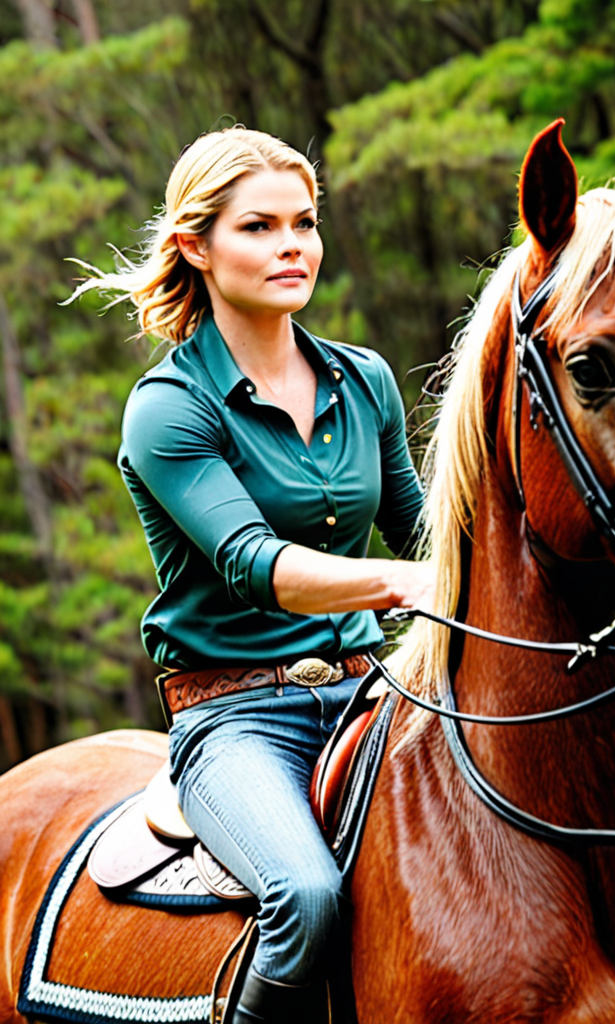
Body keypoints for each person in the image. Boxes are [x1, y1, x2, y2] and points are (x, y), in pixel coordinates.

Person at [69, 127, 429, 1023]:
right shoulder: (167, 407)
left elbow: (423, 533)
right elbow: (255, 566)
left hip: (372, 691)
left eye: (303, 223)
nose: (291, 247)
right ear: (196, 246)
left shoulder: (366, 381)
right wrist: (401, 585)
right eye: (259, 227)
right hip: (238, 720)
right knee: (305, 900)